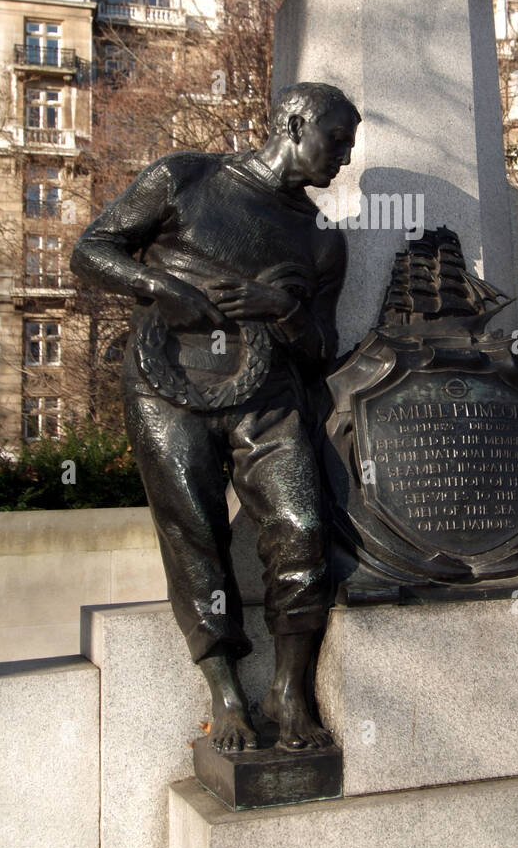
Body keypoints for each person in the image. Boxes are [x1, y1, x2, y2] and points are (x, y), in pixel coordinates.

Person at [71, 83, 360, 751]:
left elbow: (320, 350)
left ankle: (290, 693)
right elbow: (91, 250)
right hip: (167, 383)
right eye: (337, 139)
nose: (344, 157)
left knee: (302, 529)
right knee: (194, 533)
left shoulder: (321, 239)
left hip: (269, 397)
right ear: (293, 124)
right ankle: (227, 694)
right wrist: (160, 288)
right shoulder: (185, 177)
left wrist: (278, 308)